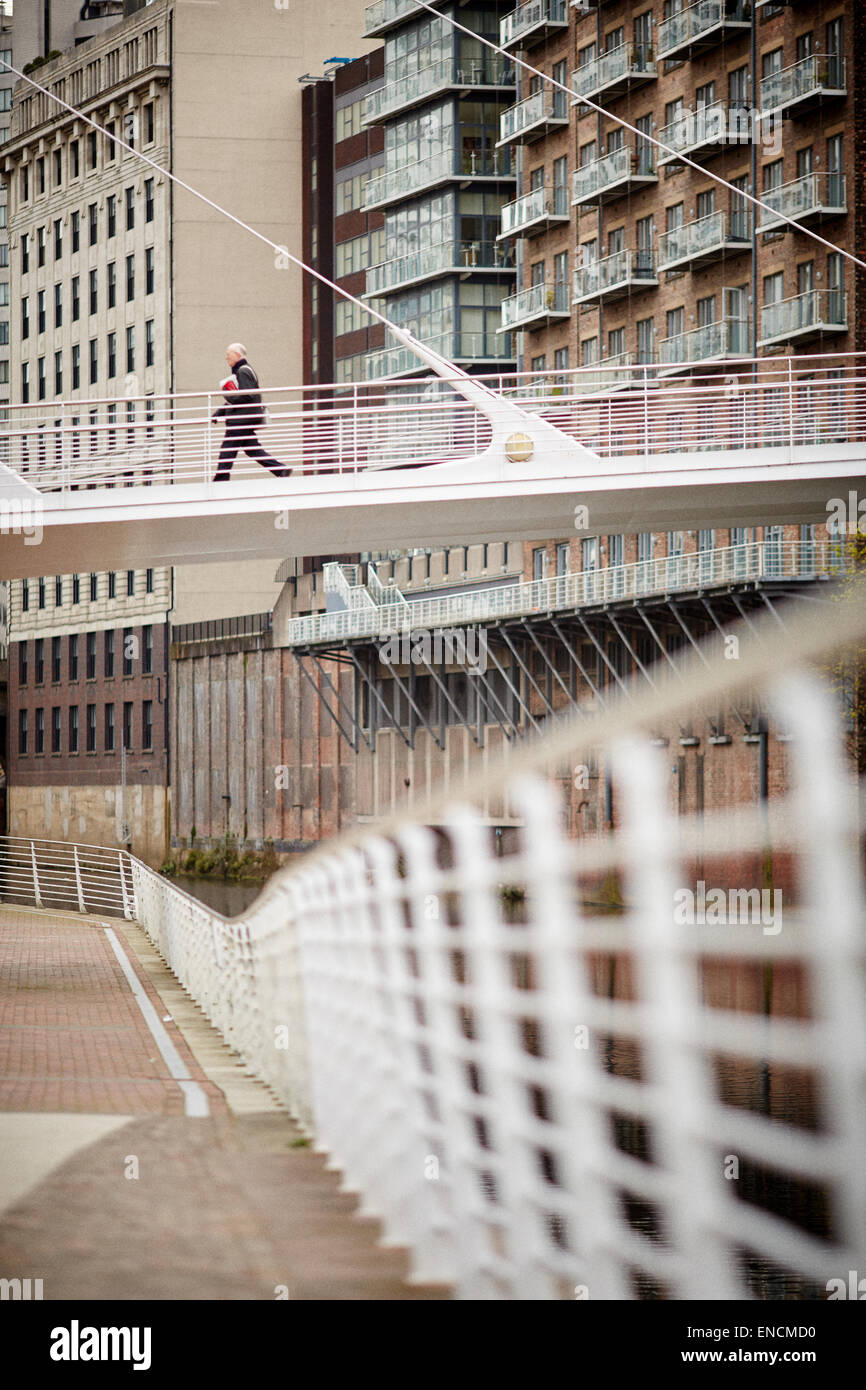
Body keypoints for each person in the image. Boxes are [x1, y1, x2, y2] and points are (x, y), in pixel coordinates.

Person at [212, 344, 288, 481]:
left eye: (228, 354)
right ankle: (281, 470)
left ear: (237, 355)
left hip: (241, 419)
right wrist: (220, 412)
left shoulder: (242, 371)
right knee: (252, 449)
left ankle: (221, 478)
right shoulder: (244, 371)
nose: (226, 357)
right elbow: (242, 396)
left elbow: (246, 395)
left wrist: (227, 400)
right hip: (245, 417)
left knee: (228, 447)